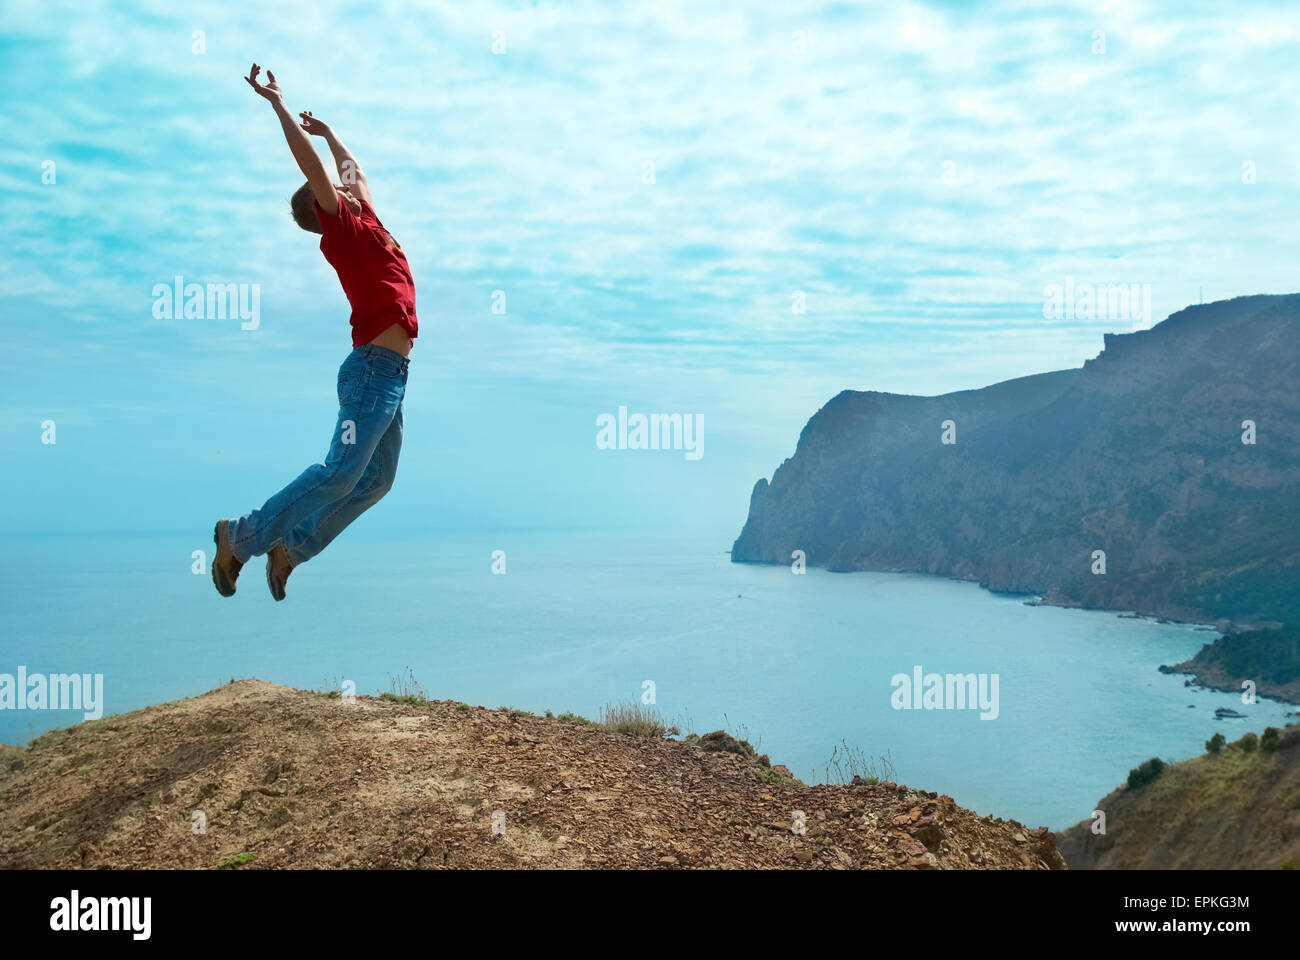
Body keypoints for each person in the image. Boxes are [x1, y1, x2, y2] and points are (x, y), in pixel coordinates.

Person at [212, 64, 418, 601]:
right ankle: (240, 536)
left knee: (376, 481)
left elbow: (354, 171)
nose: (344, 186)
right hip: (372, 370)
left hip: (391, 375)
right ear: (323, 207)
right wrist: (279, 106)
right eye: (330, 188)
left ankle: (291, 547)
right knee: (341, 473)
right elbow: (319, 172)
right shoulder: (345, 231)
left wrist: (330, 135)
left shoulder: (370, 220)